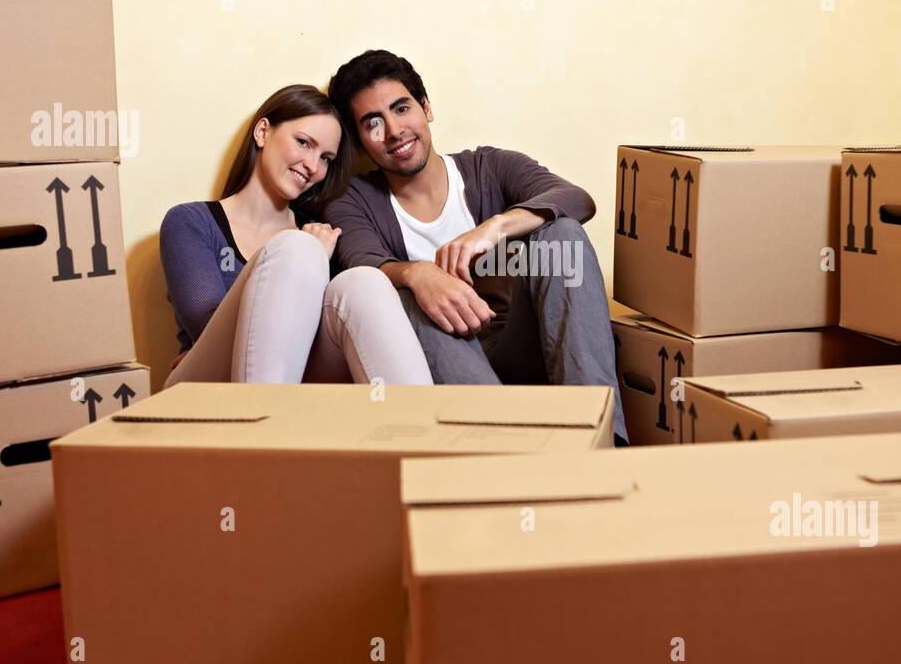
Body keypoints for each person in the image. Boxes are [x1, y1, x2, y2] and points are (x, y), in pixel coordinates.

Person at [323, 50, 628, 444]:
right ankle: (504, 453)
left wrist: (495, 227)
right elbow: (360, 262)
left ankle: (602, 444)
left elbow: (576, 198)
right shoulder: (353, 199)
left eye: (402, 109)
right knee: (403, 294)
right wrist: (418, 273)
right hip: (445, 355)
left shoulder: (489, 168)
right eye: (374, 123)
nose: (395, 130)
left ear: (427, 108)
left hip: (523, 340)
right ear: (361, 143)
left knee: (563, 235)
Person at [159, 83, 432, 387]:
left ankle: (413, 427)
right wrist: (305, 254)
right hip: (205, 387)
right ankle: (263, 426)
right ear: (262, 132)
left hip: (298, 384)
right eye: (304, 142)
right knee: (296, 249)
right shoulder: (192, 221)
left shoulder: (320, 231)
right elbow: (205, 327)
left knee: (364, 281)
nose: (313, 166)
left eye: (326, 158)